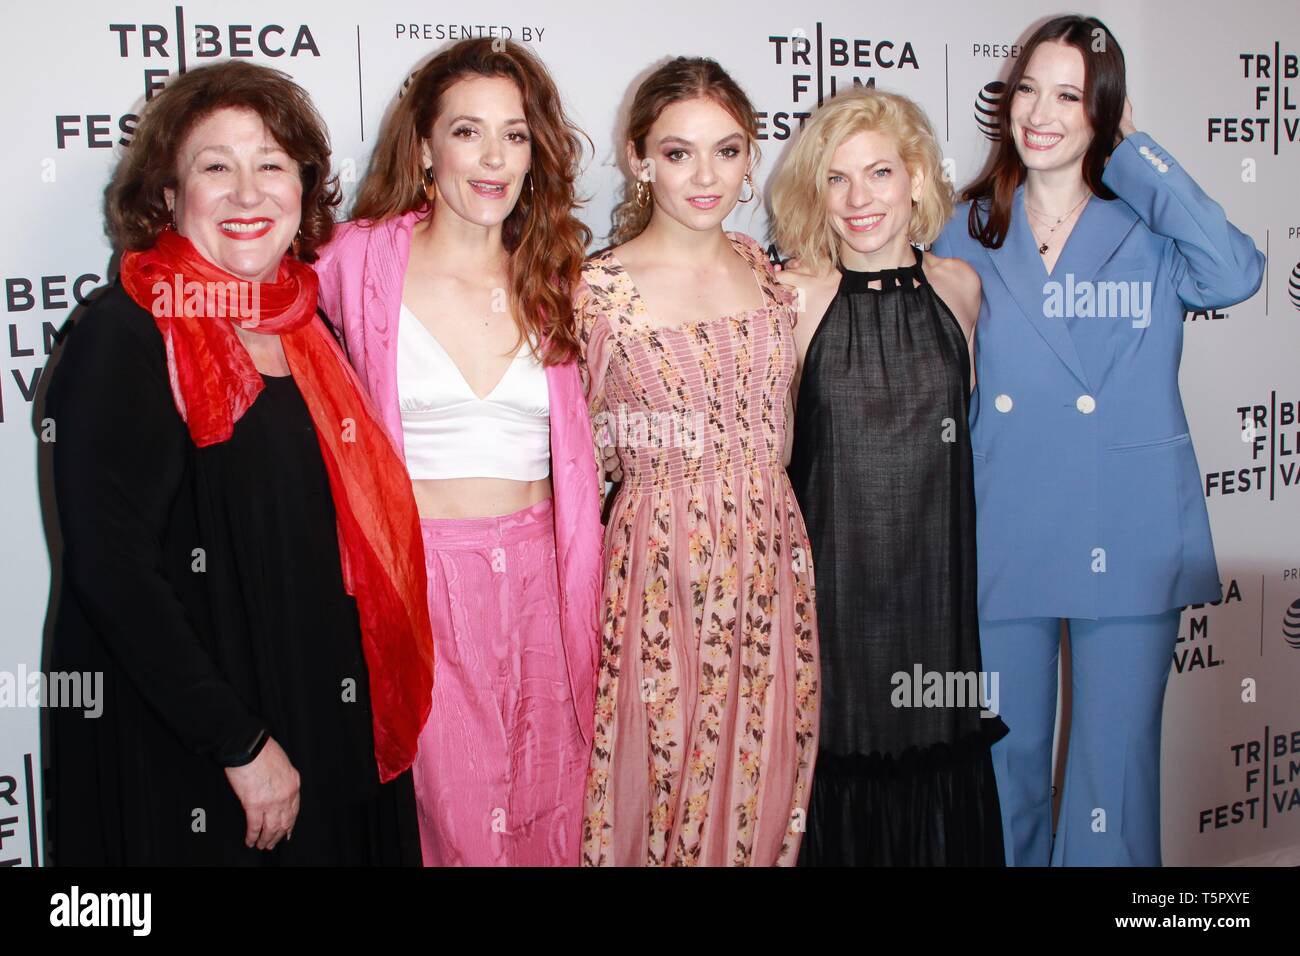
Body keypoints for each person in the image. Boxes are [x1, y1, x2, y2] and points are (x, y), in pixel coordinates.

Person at [45, 60, 430, 866]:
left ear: (304, 187)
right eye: (216, 168)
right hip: (199, 752)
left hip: (320, 721)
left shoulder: (309, 323)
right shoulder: (124, 334)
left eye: (272, 166)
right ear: (167, 196)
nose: (248, 195)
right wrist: (240, 744)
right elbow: (113, 572)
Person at [930, 15, 1265, 866]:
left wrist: (1137, 156)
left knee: (1112, 774)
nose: (1040, 113)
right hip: (1003, 521)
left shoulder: (1150, 225)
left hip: (1128, 521)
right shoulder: (964, 227)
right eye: (1028, 89)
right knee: (999, 761)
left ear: (1105, 113)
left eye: (1071, 96)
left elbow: (1236, 273)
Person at [313, 37, 603, 867]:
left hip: (548, 579)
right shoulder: (356, 260)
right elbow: (255, 307)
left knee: (556, 814)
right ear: (423, 147)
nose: (494, 158)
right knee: (456, 824)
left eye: (515, 135)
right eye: (468, 132)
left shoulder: (558, 276)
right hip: (423, 583)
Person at [576, 56, 819, 867]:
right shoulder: (596, 292)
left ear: (751, 157)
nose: (706, 176)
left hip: (770, 562)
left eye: (727, 150)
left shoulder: (765, 271)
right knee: (662, 778)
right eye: (678, 152)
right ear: (640, 160)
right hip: (660, 566)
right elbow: (577, 461)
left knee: (762, 782)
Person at [772, 86, 1008, 865]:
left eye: (878, 173)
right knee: (840, 765)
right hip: (834, 602)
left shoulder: (962, 290)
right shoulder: (793, 297)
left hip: (936, 599)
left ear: (916, 178)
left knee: (936, 751)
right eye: (836, 179)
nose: (859, 198)